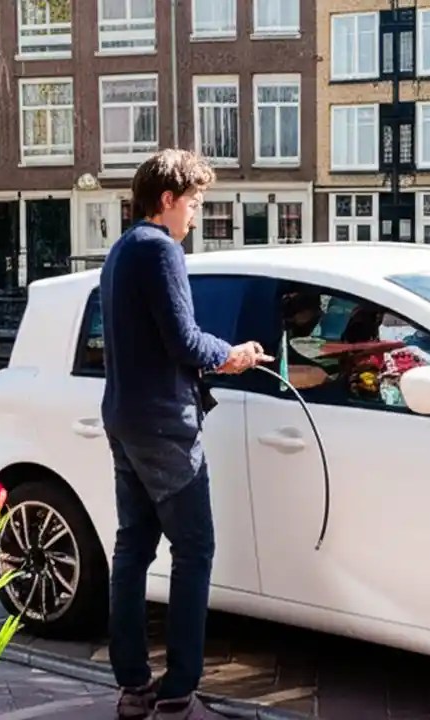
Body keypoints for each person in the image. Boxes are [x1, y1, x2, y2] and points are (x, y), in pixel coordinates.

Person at [99, 148, 272, 720]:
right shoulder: (161, 251)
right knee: (195, 548)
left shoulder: (120, 251)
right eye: (194, 201)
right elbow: (185, 342)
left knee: (132, 549)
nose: (196, 213)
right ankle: (178, 688)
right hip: (165, 426)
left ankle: (131, 685)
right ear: (167, 200)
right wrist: (238, 354)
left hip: (123, 416)